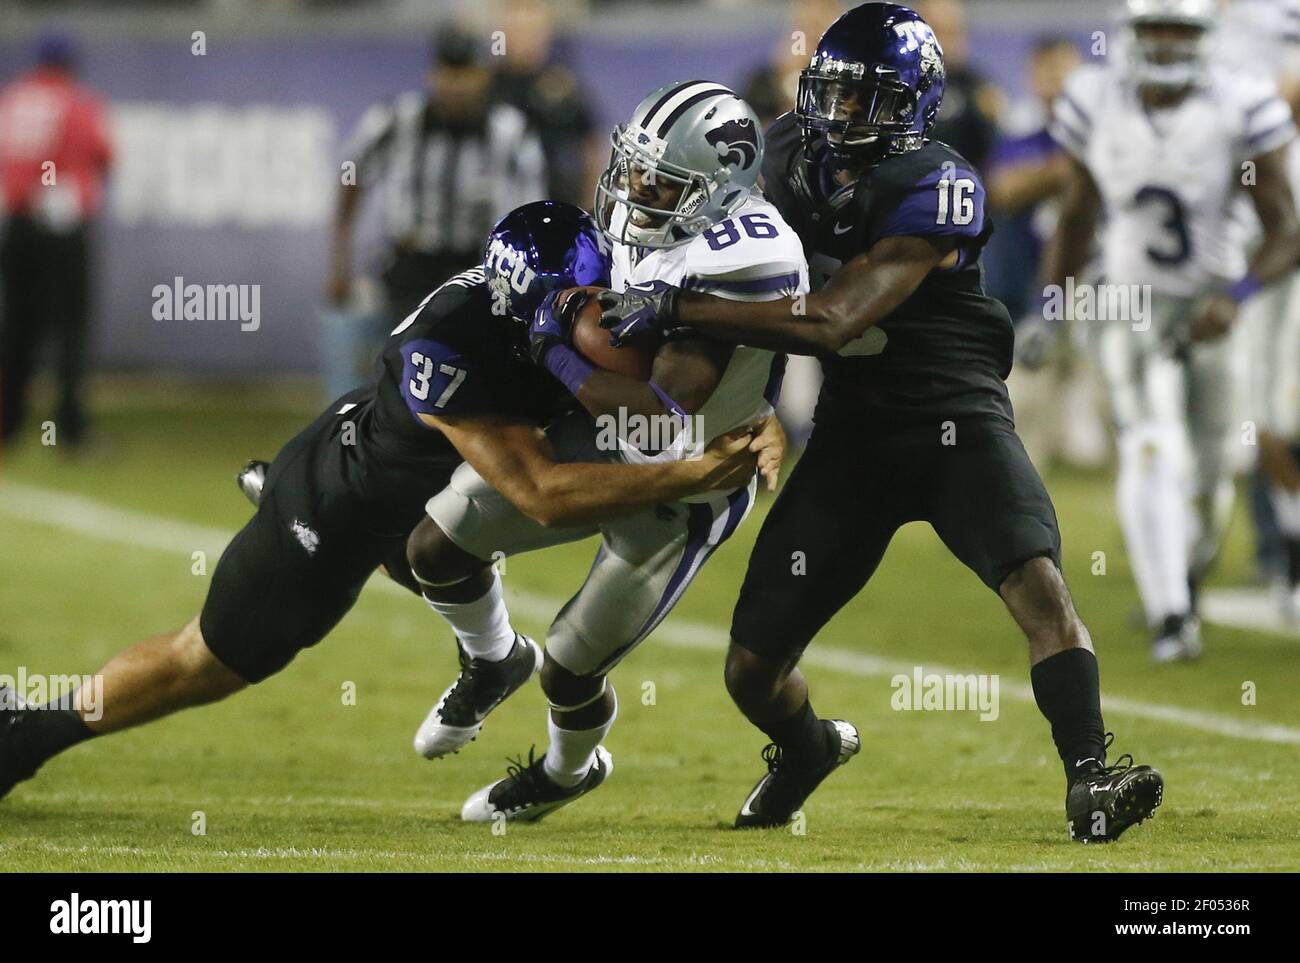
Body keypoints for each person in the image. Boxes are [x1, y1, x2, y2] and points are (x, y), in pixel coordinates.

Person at [596, 3, 1163, 843]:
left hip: (952, 409)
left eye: (867, 101)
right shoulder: (785, 150)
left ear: (916, 106)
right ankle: (807, 748)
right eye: (834, 93)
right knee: (751, 665)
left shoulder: (938, 183)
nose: (842, 114)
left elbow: (829, 320)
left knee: (1037, 583)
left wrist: (675, 302)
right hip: (855, 424)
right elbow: (730, 253)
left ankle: (1090, 776)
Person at [0, 202, 770, 801]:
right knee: (206, 658)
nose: (612, 319)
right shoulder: (451, 348)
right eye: (591, 308)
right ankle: (29, 733)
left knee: (440, 550)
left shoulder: (558, 315)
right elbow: (542, 495)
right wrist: (691, 473)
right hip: (339, 508)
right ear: (538, 315)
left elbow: (663, 385)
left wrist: (751, 414)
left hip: (414, 498)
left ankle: (493, 656)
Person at [404, 83, 809, 823]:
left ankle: (565, 769)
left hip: (685, 485)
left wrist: (554, 349)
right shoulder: (649, 221)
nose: (634, 188)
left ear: (720, 189)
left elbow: (658, 423)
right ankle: (493, 656)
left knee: (570, 667)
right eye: (635, 167)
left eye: (660, 180)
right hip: (600, 435)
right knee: (434, 545)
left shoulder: (741, 261)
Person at [1041, 0, 1299, 658]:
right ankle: (1171, 615)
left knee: (1215, 472)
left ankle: (1185, 577)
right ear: (1130, 34)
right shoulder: (1098, 98)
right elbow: (1076, 213)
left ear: (1205, 39)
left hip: (1212, 302)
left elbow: (1286, 229)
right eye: (1153, 28)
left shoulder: (1241, 103)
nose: (1164, 43)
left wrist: (1239, 294)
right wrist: (1054, 302)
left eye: (1178, 30)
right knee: (1151, 443)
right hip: (1125, 300)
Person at [324, 24, 545, 388]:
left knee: (474, 380)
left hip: (475, 271)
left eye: (465, 72)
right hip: (411, 265)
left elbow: (530, 212)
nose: (455, 84)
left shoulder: (510, 132)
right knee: (400, 374)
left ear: (482, 75)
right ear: (433, 74)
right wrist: (340, 258)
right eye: (447, 71)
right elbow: (351, 175)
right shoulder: (398, 119)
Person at [0, 33, 113, 450]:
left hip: (17, 223)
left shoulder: (11, 99)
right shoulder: (77, 103)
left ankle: (8, 424)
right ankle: (70, 429)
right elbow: (103, 155)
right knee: (70, 331)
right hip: (60, 225)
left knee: (16, 329)